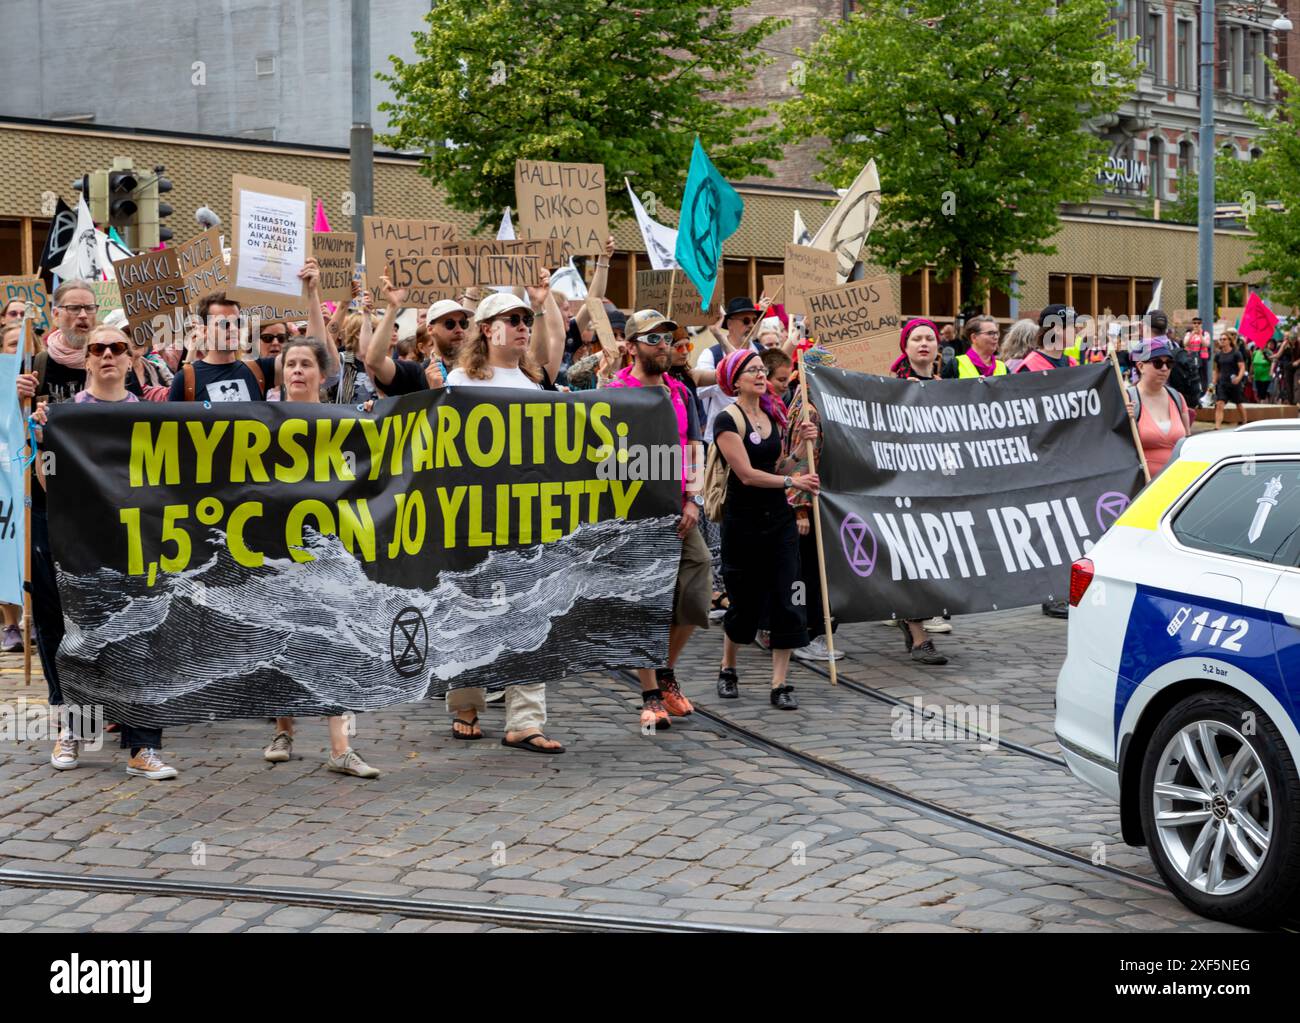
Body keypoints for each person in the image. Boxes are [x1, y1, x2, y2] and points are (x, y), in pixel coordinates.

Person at [32, 326, 177, 779]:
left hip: (137, 543)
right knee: (70, 635)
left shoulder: (150, 415)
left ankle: (142, 746)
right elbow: (45, 481)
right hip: (77, 544)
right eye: (99, 348)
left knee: (143, 637)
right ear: (88, 359)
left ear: (132, 358)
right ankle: (72, 729)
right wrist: (43, 434)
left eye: (118, 348)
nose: (109, 354)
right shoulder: (63, 416)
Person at [444, 291, 564, 753]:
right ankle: (466, 705)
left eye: (526, 319)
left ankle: (526, 720)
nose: (522, 326)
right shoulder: (460, 379)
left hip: (526, 517)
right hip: (472, 515)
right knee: (470, 613)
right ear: (487, 328)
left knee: (531, 612)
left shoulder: (534, 386)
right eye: (512, 319)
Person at [262, 335, 381, 778]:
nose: (296, 371)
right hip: (273, 540)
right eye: (289, 364)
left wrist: (370, 420)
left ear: (321, 373)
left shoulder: (342, 416)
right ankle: (283, 729)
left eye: (304, 364)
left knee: (336, 632)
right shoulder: (259, 419)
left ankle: (340, 746)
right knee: (282, 631)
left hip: (328, 542)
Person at [604, 310, 709, 730]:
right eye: (653, 338)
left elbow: (695, 448)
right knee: (642, 601)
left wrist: (694, 500)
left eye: (668, 338)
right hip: (633, 515)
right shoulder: (614, 392)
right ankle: (650, 694)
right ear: (630, 346)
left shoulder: (681, 393)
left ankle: (664, 669)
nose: (663, 345)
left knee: (696, 587)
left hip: (678, 511)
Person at [711, 348, 820, 709]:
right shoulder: (728, 420)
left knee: (788, 597)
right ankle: (728, 668)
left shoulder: (773, 415)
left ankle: (780, 683)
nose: (760, 375)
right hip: (743, 522)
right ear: (735, 379)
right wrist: (794, 481)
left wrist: (801, 447)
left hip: (779, 521)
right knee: (744, 602)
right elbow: (747, 475)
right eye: (752, 370)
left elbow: (777, 466)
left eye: (762, 370)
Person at [883, 319, 954, 661]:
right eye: (916, 339)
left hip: (939, 485)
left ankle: (914, 620)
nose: (924, 343)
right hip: (904, 486)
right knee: (913, 557)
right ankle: (917, 636)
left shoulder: (947, 386)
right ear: (905, 346)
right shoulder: (892, 386)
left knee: (934, 559)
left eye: (930, 338)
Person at [168, 261, 332, 401]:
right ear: (204, 331)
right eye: (224, 324)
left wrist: (312, 293)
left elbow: (314, 349)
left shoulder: (258, 369)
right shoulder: (186, 379)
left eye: (237, 322)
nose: (233, 329)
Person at [778, 343, 844, 663]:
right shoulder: (809, 409)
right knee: (807, 574)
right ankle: (804, 635)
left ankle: (808, 631)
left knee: (809, 571)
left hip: (810, 499)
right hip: (804, 502)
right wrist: (800, 509)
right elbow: (803, 457)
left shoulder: (809, 402)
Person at [1019, 305, 1078, 619]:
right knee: (1048, 526)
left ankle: (1064, 587)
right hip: (1043, 456)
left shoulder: (1070, 362)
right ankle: (1049, 591)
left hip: (1068, 455)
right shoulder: (1032, 365)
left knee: (1066, 523)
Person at [693, 297, 764, 443]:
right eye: (746, 320)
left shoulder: (762, 352)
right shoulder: (712, 355)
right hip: (720, 439)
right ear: (730, 323)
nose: (751, 325)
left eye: (754, 320)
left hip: (758, 437)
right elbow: (700, 392)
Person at [1124, 339, 1192, 478]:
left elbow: (1187, 442)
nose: (1165, 368)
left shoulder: (1177, 397)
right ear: (1141, 366)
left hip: (1177, 484)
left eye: (1169, 363)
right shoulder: (1127, 398)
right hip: (1142, 487)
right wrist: (1122, 421)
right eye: (1158, 363)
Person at [1211, 331, 1247, 429]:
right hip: (1222, 383)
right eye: (1221, 339)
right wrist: (1214, 381)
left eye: (1224, 339)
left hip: (1234, 383)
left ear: (1229, 341)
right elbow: (1216, 370)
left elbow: (1242, 367)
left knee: (1238, 404)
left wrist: (1239, 378)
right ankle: (1217, 427)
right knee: (1219, 404)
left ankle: (1244, 422)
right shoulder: (1218, 355)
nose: (1222, 341)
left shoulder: (1236, 353)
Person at [1184, 316, 1212, 389]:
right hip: (1192, 357)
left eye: (1198, 323)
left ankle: (1204, 390)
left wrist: (1200, 334)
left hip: (1202, 357)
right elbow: (1185, 343)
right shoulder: (1189, 334)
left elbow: (1206, 344)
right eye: (1194, 323)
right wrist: (1192, 335)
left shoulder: (1205, 333)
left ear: (1201, 324)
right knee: (1192, 374)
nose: (1196, 325)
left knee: (1203, 375)